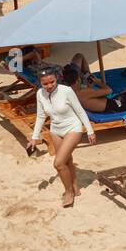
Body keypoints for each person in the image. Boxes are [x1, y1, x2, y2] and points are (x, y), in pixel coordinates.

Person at [29, 66, 96, 207]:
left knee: (58, 163)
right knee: (67, 161)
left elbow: (80, 111)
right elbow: (41, 116)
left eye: (52, 82)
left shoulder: (67, 91)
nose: (49, 86)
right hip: (56, 130)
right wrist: (34, 137)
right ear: (40, 83)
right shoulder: (40, 94)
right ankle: (74, 187)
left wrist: (90, 130)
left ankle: (68, 192)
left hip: (73, 128)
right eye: (45, 84)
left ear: (57, 79)